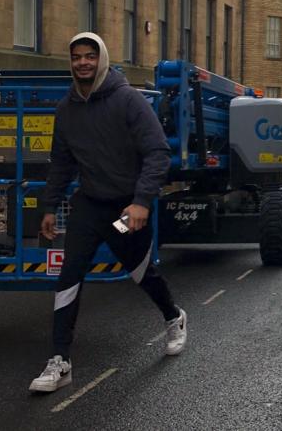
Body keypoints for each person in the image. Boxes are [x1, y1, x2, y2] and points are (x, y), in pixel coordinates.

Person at [30, 32, 186, 393]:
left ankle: (173, 316)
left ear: (101, 59)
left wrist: (141, 201)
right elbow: (62, 163)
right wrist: (50, 206)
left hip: (125, 208)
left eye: (90, 56)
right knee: (69, 275)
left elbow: (158, 152)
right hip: (89, 206)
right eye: (76, 57)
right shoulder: (66, 109)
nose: (83, 63)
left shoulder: (128, 100)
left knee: (140, 270)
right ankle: (60, 361)